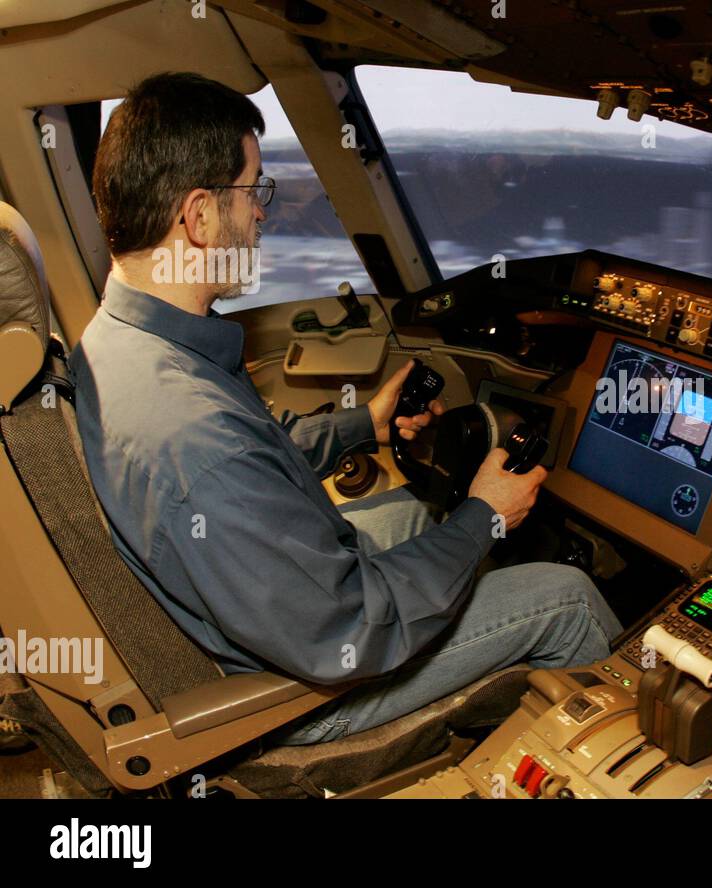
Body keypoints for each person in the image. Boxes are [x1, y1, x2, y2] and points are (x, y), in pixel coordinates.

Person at [70, 71, 621, 744]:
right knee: (566, 597)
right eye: (253, 190)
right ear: (201, 216)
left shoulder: (125, 345)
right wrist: (487, 515)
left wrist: (367, 423)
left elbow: (250, 458)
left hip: (272, 615)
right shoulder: (188, 433)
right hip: (300, 690)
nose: (263, 213)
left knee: (418, 512)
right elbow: (351, 630)